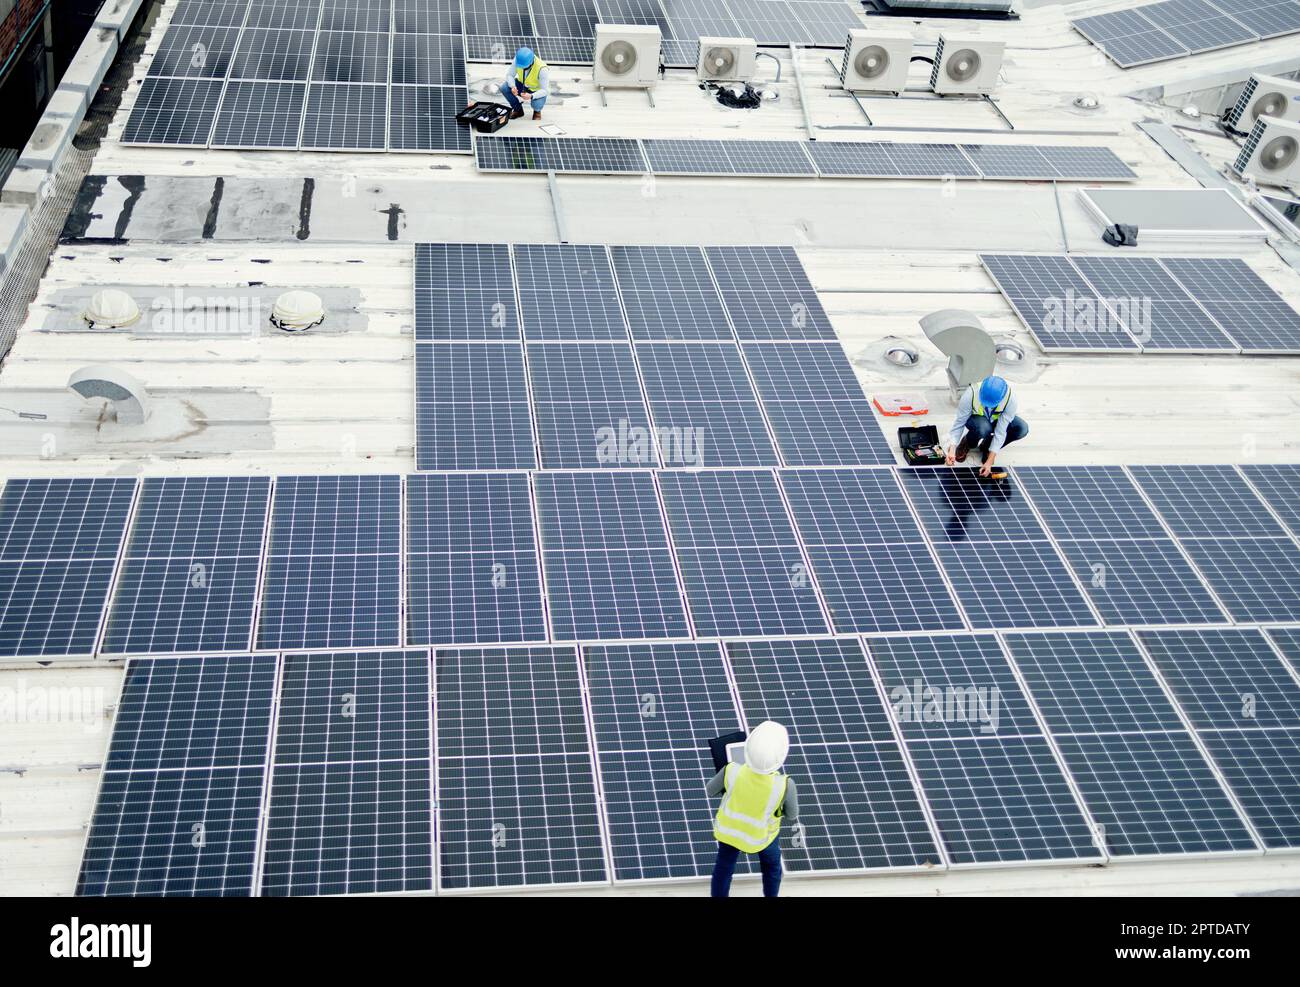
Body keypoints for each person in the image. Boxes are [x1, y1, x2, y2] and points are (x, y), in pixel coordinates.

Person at [707, 721, 798, 897]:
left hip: (728, 832)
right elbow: (792, 814)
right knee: (772, 867)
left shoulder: (731, 770)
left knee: (724, 868)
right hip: (762, 837)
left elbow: (711, 790)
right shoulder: (785, 784)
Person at [945, 374, 1028, 477]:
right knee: (984, 428)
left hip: (995, 420)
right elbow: (959, 423)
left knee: (1022, 428)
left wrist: (990, 461)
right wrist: (952, 449)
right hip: (977, 421)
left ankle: (988, 447)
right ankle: (967, 442)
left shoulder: (1010, 400)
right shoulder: (970, 394)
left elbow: (1001, 432)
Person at [500, 47, 550, 121]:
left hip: (536, 90)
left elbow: (545, 90)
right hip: (522, 85)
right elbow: (509, 75)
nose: (521, 68)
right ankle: (518, 110)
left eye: (523, 66)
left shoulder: (542, 69)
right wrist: (513, 86)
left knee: (536, 104)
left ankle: (537, 111)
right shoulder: (517, 60)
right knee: (504, 88)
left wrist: (532, 96)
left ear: (531, 62)